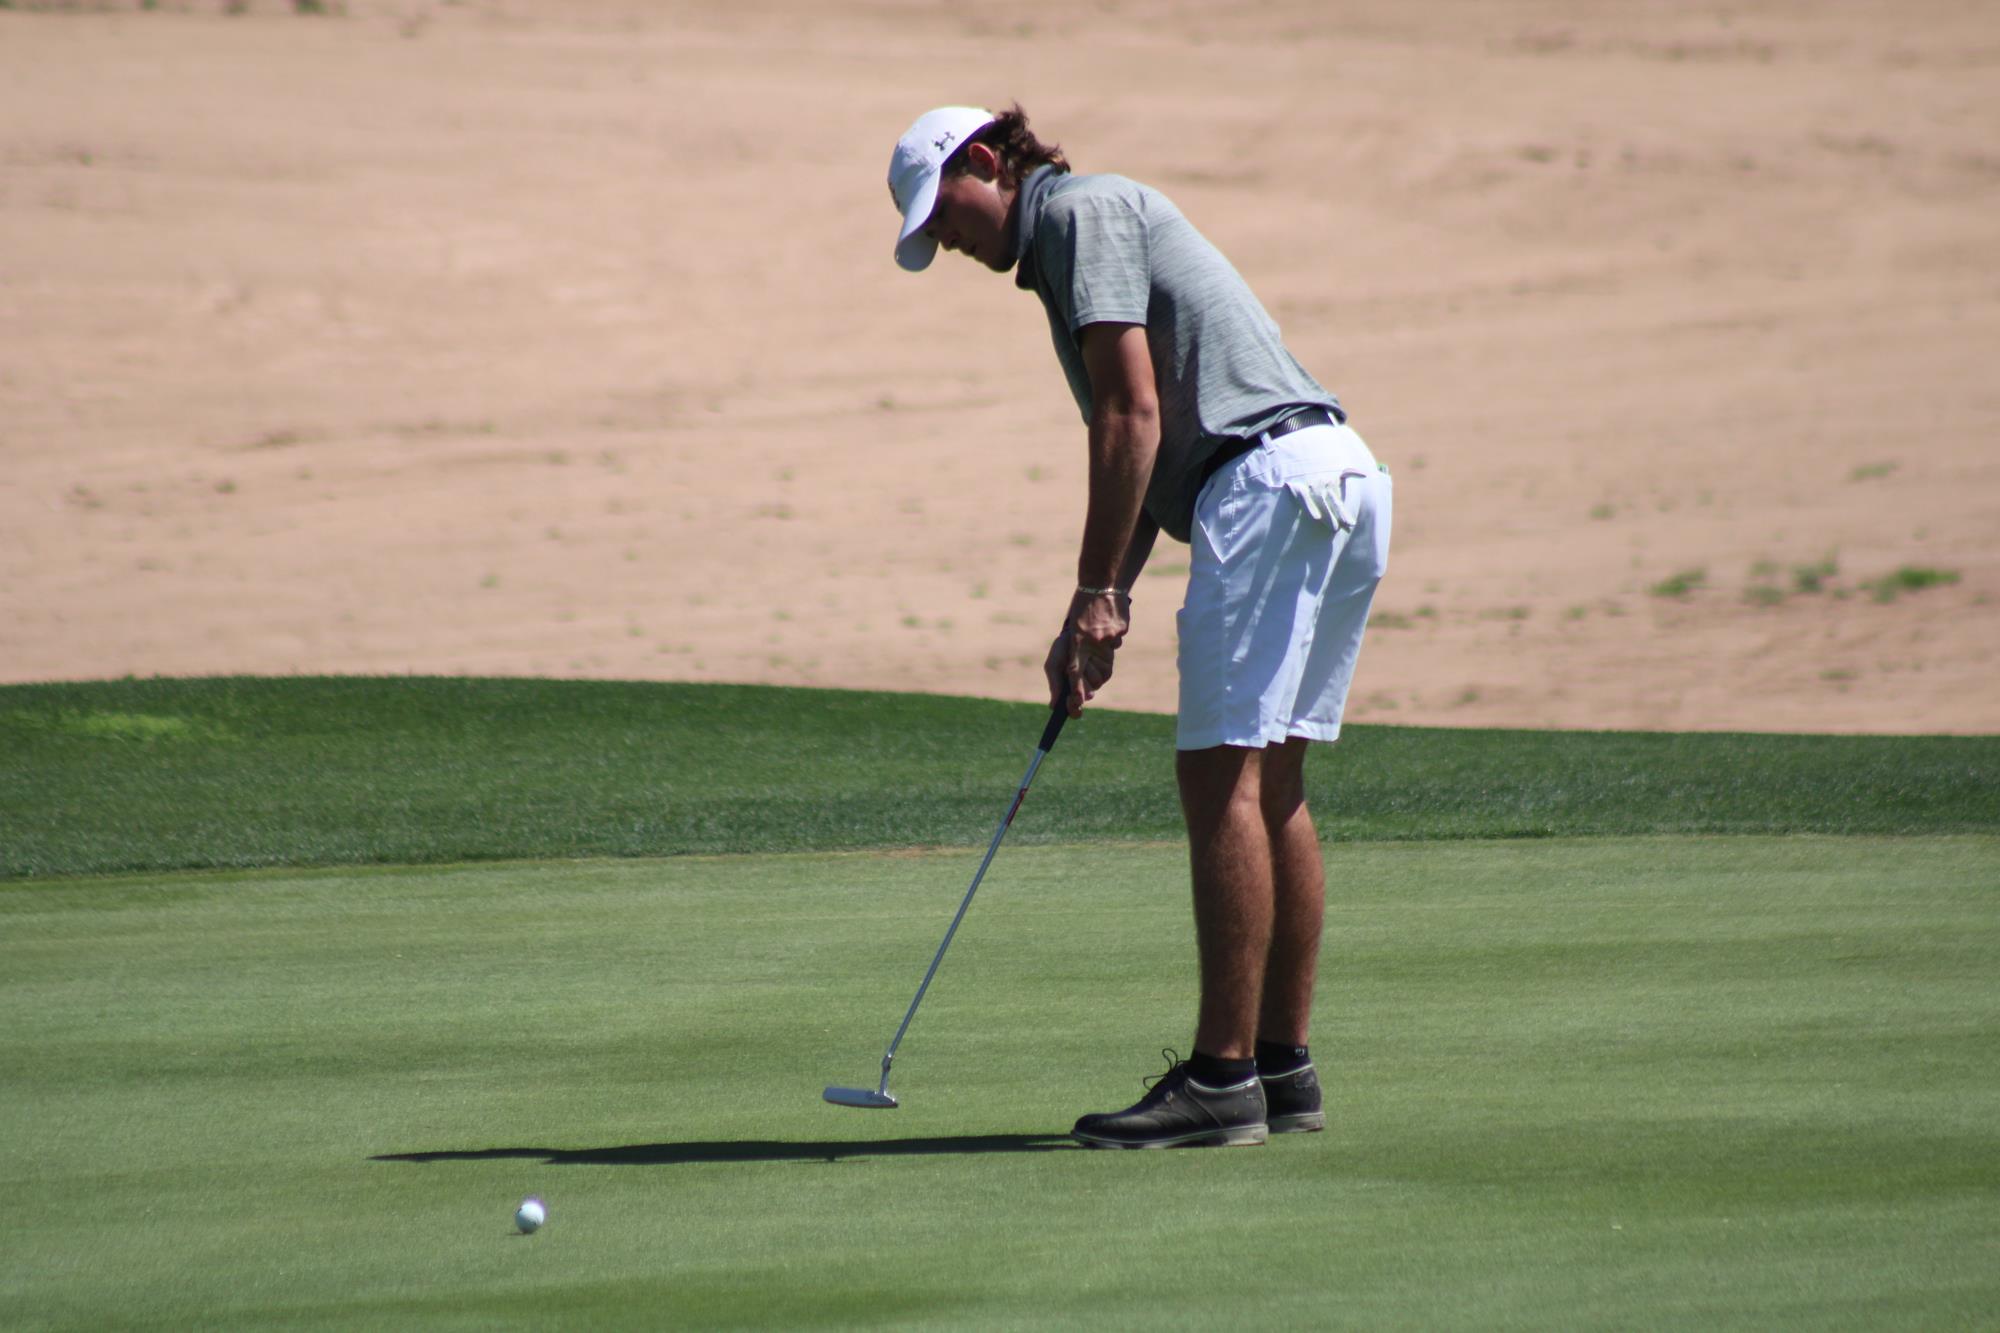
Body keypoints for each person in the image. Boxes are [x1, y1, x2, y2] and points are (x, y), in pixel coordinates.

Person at [886, 105, 1392, 1148]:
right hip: (1333, 476)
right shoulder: (1081, 233)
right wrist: (1097, 605)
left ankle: (1219, 1079)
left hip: (1261, 484)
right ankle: (1281, 1068)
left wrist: (1091, 591)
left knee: (1219, 780)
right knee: (1272, 776)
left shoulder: (1076, 213)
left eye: (945, 213)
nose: (948, 240)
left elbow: (1131, 415)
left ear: (987, 161)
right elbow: (1150, 454)